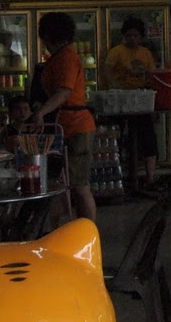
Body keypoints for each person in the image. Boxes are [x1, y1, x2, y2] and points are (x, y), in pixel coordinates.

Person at [29, 12, 97, 223]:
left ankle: (88, 231)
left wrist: (41, 112)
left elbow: (63, 92)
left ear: (48, 37)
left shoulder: (66, 58)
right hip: (65, 126)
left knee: (79, 184)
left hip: (76, 126)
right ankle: (62, 227)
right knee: (63, 182)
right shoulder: (60, 57)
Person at [102, 16, 161, 190]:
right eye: (128, 35)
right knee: (116, 137)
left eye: (135, 36)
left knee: (148, 137)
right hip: (119, 100)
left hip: (140, 99)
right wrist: (114, 86)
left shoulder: (145, 53)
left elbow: (153, 74)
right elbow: (106, 71)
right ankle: (114, 177)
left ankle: (150, 176)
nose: (132, 39)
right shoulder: (116, 52)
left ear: (141, 37)